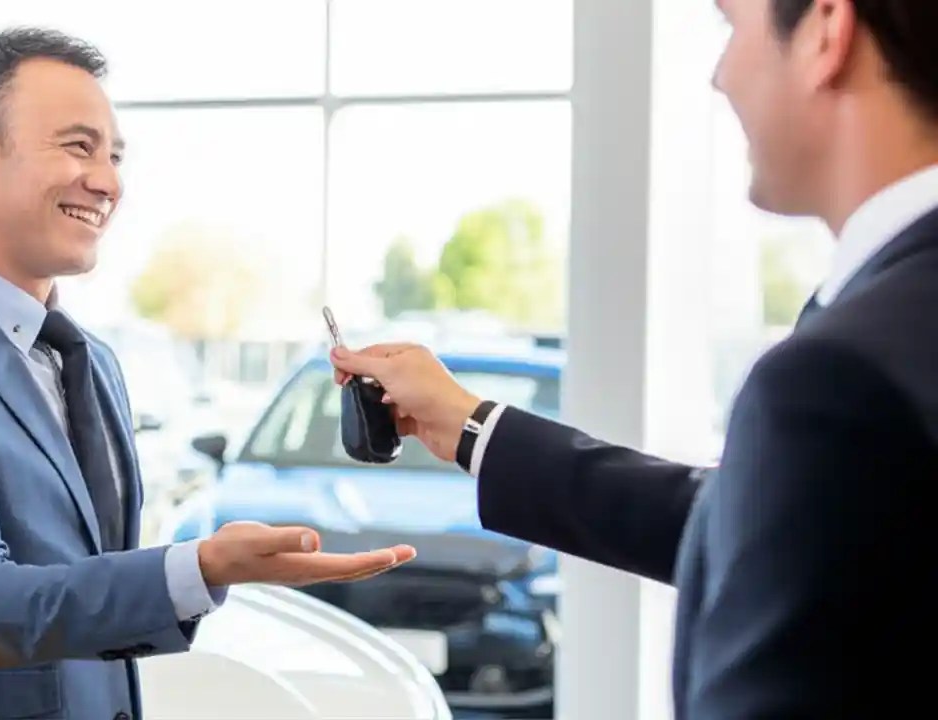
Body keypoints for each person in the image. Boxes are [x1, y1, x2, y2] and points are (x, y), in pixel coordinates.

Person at [330, 1, 935, 717]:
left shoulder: (839, 379)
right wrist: (471, 426)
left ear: (826, 32)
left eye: (730, 27)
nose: (719, 77)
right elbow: (756, 528)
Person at [0, 28, 414, 720]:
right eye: (78, 146)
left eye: (115, 155)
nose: (109, 182)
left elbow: (84, 589)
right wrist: (201, 567)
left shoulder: (90, 360)